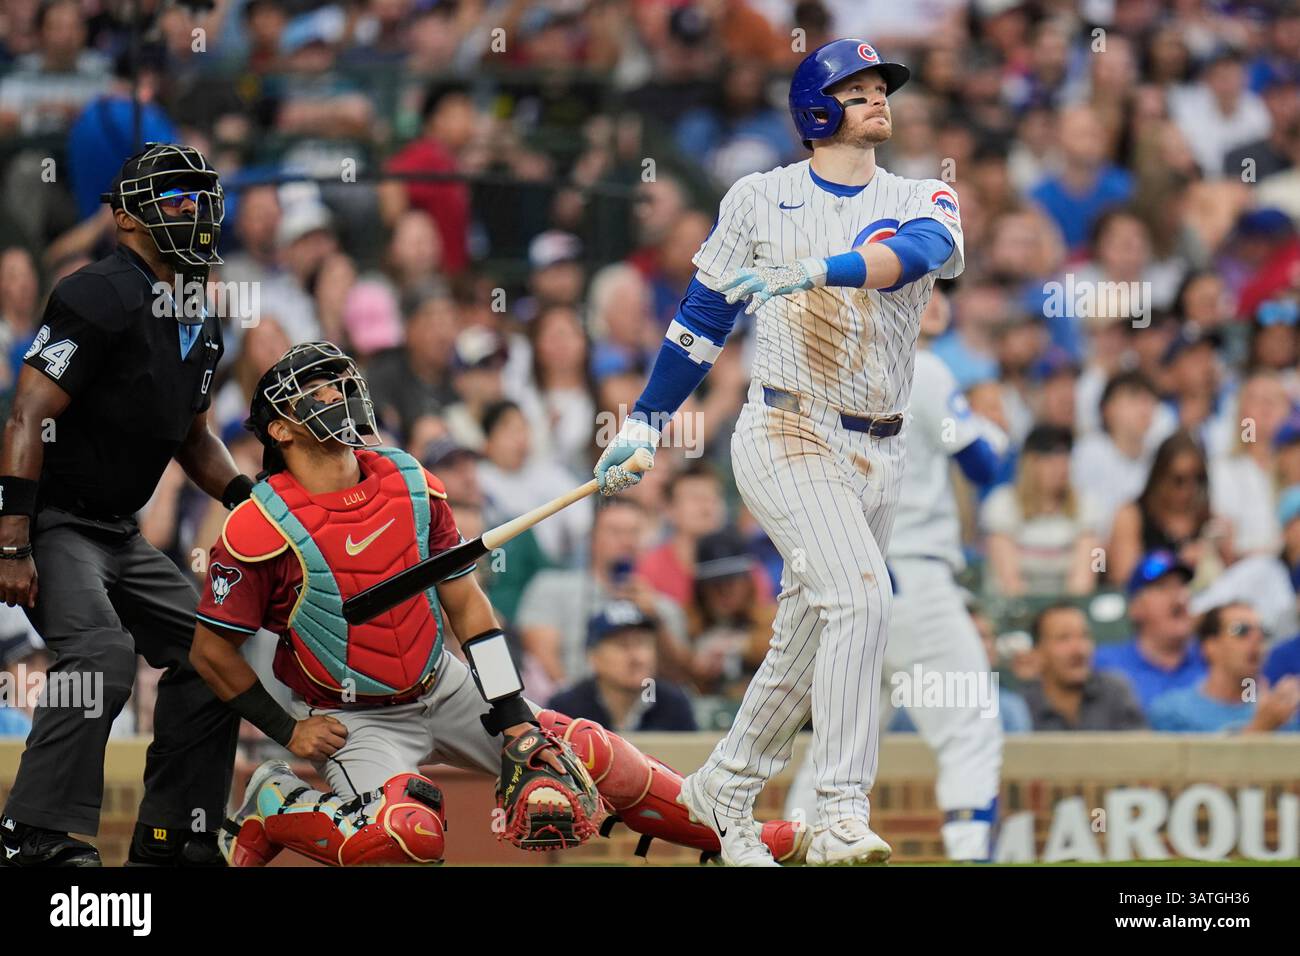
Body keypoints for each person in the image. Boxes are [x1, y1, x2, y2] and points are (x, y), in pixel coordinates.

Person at [189, 342, 803, 866]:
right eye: (316, 391)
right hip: (356, 716)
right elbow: (211, 651)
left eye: (341, 380)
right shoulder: (255, 526)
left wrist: (511, 714)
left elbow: (466, 601)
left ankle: (744, 838)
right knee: (409, 836)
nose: (339, 391)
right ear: (280, 429)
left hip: (444, 681)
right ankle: (276, 806)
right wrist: (286, 729)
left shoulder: (412, 481)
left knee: (587, 752)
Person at [594, 38, 964, 865]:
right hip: (787, 424)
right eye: (857, 88)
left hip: (881, 445)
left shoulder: (922, 193)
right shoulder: (759, 198)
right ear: (817, 109)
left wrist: (818, 270)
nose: (876, 98)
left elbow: (920, 255)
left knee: (806, 635)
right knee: (865, 600)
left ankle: (725, 782)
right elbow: (701, 320)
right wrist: (646, 422)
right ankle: (839, 807)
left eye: (880, 87)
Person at [0, 143, 253, 867]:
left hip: (119, 531)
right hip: (54, 519)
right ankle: (32, 835)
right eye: (176, 199)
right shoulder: (96, 293)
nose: (195, 212)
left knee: (213, 650)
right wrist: (12, 541)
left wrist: (247, 499)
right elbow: (26, 414)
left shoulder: (199, 313)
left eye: (201, 198)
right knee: (103, 653)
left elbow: (194, 438)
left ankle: (175, 832)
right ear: (125, 220)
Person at [786, 286, 1008, 861]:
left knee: (839, 748)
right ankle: (969, 852)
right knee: (971, 726)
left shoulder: (828, 366)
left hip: (845, 581)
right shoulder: (926, 368)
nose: (935, 301)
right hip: (912, 579)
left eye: (940, 291)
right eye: (921, 291)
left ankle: (790, 850)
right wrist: (992, 429)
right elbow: (983, 463)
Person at [982, 423, 1100, 597]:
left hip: (1066, 607)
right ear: (1031, 463)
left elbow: (1084, 581)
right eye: (1050, 459)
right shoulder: (1002, 504)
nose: (1060, 466)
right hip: (1013, 609)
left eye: (1065, 457)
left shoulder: (1086, 505)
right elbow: (1009, 582)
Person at [1108, 430, 1233, 589]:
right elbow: (1124, 578)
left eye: (1198, 479)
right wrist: (1177, 562)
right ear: (1160, 476)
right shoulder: (1132, 516)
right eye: (1179, 480)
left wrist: (1225, 553)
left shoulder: (1207, 518)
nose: (1189, 489)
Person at [1149, 602, 1300, 733]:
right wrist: (1260, 729)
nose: (1257, 639)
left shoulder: (1283, 715)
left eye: (1263, 632)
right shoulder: (1174, 712)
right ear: (1210, 646)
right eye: (1241, 630)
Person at [547, 602, 697, 733]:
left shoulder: (674, 704)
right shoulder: (566, 710)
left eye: (643, 643)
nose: (636, 657)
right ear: (593, 657)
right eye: (622, 645)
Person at [1094, 550, 1205, 714]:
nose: (1178, 598)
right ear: (1135, 607)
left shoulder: (1214, 658)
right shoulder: (1104, 665)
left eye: (1181, 586)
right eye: (1163, 588)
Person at [1020, 604, 1146, 732]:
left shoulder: (1115, 692)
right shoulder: (1022, 706)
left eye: (1084, 636)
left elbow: (1139, 749)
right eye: (1063, 638)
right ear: (1038, 652)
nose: (1079, 650)